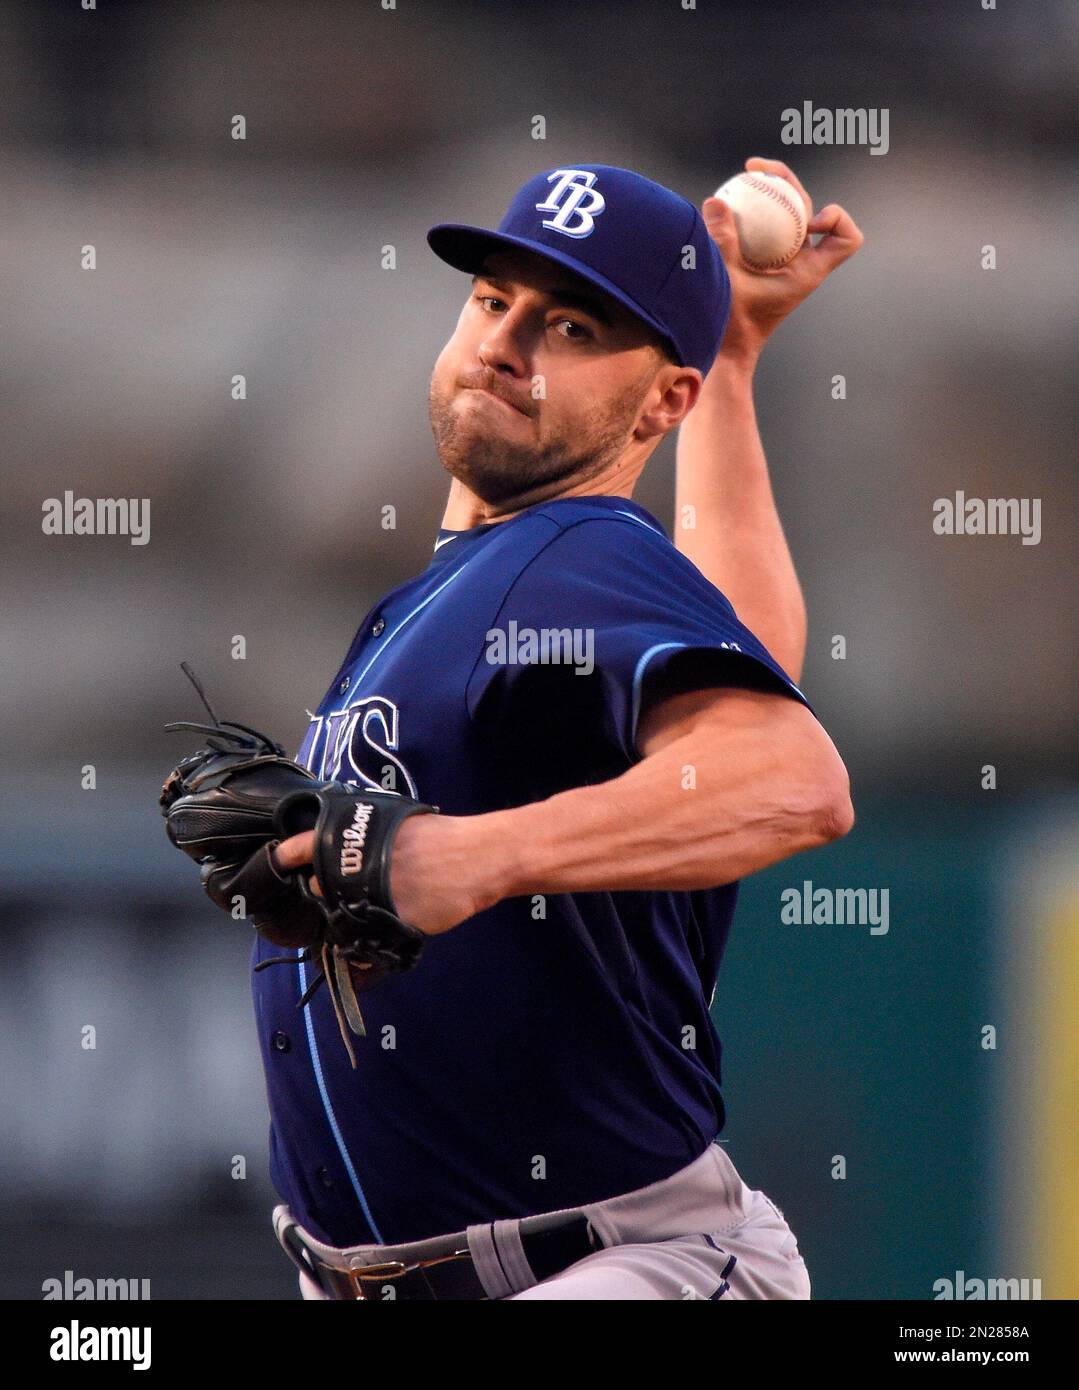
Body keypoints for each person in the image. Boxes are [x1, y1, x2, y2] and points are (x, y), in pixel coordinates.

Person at [261, 160, 862, 1300]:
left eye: (572, 324)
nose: (506, 340)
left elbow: (792, 773)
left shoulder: (572, 554)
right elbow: (748, 659)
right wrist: (729, 362)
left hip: (609, 1263)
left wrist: (470, 856)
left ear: (657, 403)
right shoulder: (473, 588)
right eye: (494, 299)